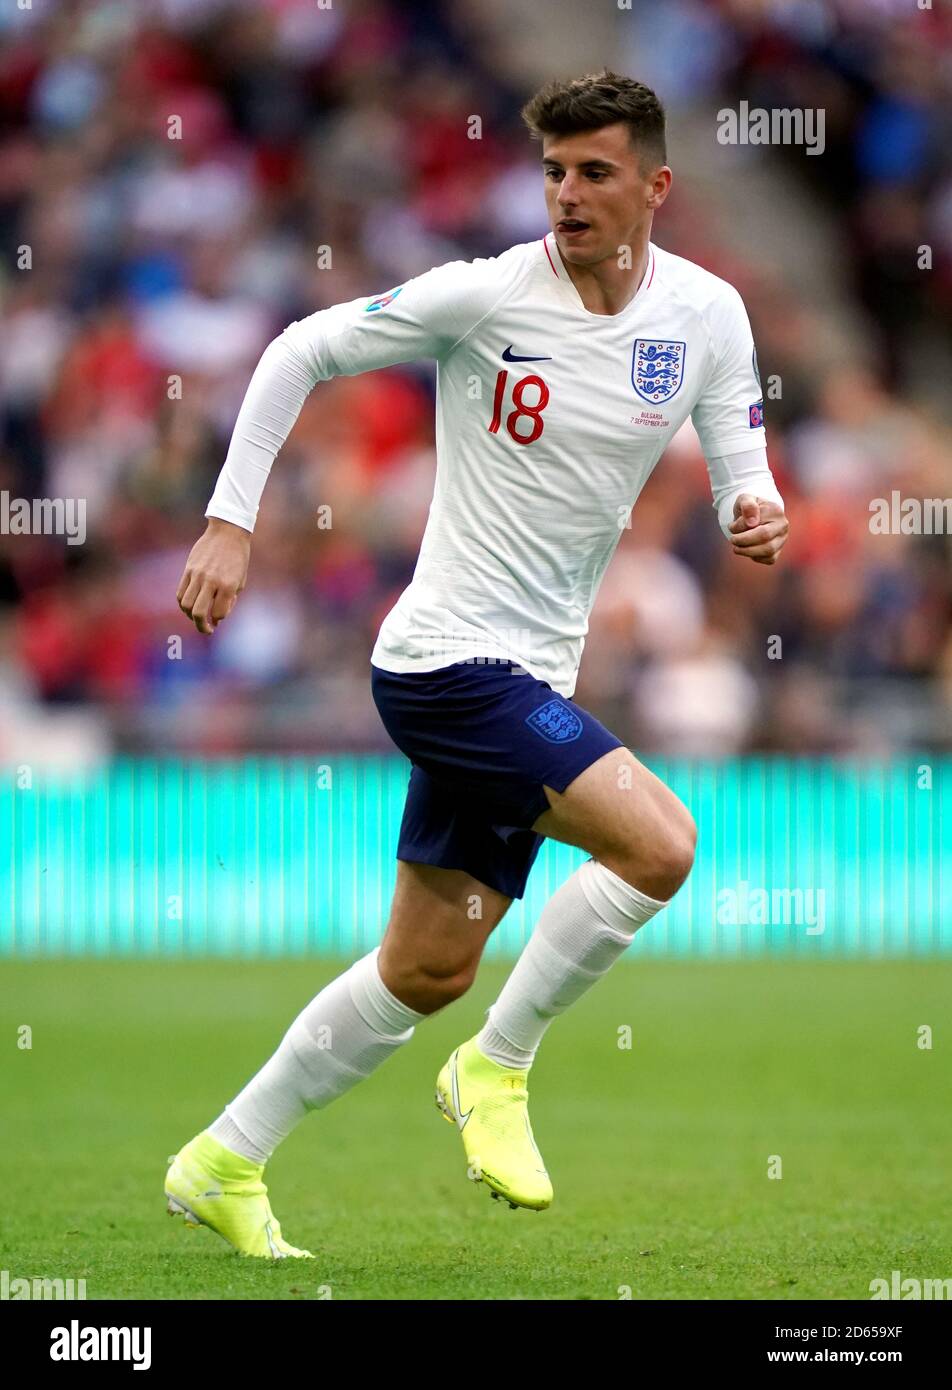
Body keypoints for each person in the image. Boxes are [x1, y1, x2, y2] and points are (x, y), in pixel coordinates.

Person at [167, 69, 789, 1258]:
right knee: (660, 843)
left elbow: (740, 470)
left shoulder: (707, 315)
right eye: (552, 171)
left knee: (428, 965)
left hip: (533, 679)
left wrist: (756, 510)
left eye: (594, 172)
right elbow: (301, 346)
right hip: (446, 663)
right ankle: (497, 1071)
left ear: (654, 186)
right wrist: (230, 519)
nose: (565, 194)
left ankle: (223, 1159)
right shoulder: (481, 295)